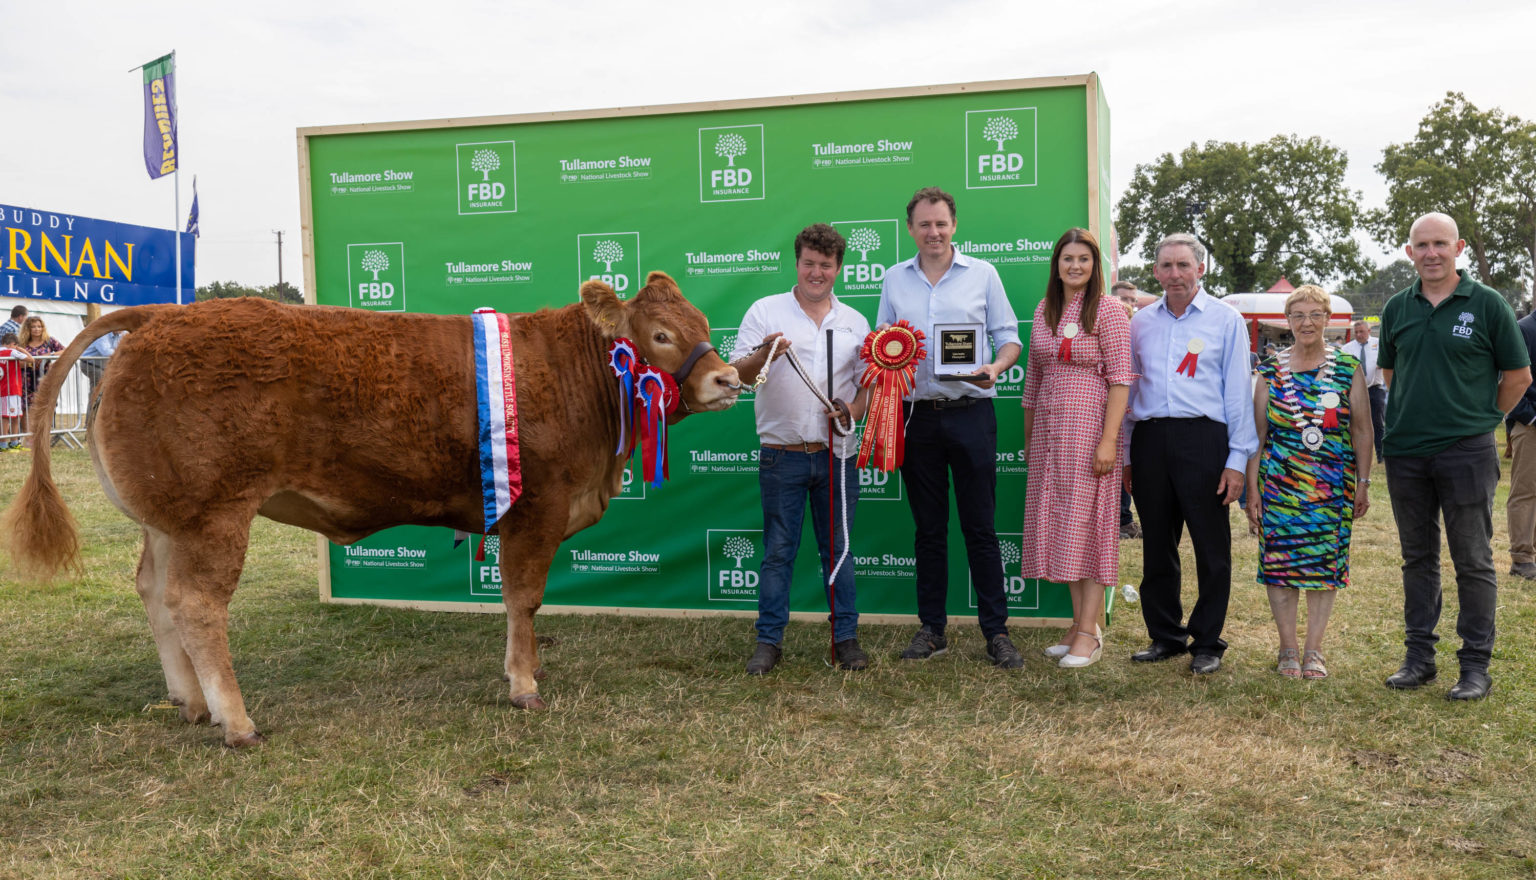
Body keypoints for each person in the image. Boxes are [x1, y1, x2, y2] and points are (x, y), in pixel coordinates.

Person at [1379, 212, 1531, 701]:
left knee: (1473, 558)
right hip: (1405, 453)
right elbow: (1390, 376)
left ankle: (1474, 666)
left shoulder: (1487, 305)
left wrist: (1478, 421)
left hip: (1465, 451)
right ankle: (1419, 658)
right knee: (1417, 558)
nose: (1431, 253)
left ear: (1458, 247)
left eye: (1440, 243)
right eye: (1421, 245)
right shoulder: (1397, 307)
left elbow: (1518, 377)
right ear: (1409, 252)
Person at [876, 186, 1024, 668]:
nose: (933, 232)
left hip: (972, 414)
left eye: (941, 223)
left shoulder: (983, 274)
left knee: (981, 528)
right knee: (928, 530)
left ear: (954, 225)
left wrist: (996, 369)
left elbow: (1009, 339)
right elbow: (883, 345)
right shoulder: (894, 279)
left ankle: (996, 632)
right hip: (917, 418)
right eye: (924, 224)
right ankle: (932, 629)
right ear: (911, 229)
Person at [730, 223, 872, 674]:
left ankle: (845, 639)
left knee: (840, 552)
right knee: (778, 551)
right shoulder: (765, 312)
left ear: (838, 269)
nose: (816, 272)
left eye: (825, 266)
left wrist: (851, 408)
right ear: (797, 263)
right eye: (809, 263)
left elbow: (868, 389)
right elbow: (740, 375)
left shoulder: (855, 322)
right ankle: (769, 641)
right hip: (782, 455)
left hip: (838, 456)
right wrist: (765, 352)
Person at [1124, 233, 1257, 675]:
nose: (1174, 274)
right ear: (1156, 271)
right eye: (1166, 266)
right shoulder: (1140, 323)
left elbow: (1238, 392)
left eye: (1183, 265)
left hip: (1205, 440)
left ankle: (1207, 641)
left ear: (1201, 268)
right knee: (1157, 544)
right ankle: (1165, 635)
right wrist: (1127, 454)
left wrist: (1237, 459)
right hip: (1150, 440)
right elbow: (1129, 391)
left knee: (1210, 545)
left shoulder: (1225, 320)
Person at [1244, 285, 1372, 680]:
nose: (1307, 323)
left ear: (1328, 319)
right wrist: (1252, 490)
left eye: (1315, 314)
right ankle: (1287, 649)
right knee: (1281, 564)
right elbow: (1256, 436)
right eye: (1298, 315)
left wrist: (1363, 482)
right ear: (1288, 321)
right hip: (1279, 485)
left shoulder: (1348, 369)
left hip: (1332, 485)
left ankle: (1314, 650)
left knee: (1322, 566)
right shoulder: (1269, 370)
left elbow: (1363, 429)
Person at [1020, 229, 1133, 668]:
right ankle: (1077, 623)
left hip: (1089, 433)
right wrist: (1030, 441)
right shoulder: (1045, 309)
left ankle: (1090, 630)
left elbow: (1121, 379)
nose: (1075, 266)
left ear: (1095, 265)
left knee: (1087, 527)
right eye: (1067, 258)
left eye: (1083, 259)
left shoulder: (1108, 310)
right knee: (1064, 526)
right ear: (1057, 264)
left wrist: (1109, 442)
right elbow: (1032, 382)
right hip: (1050, 434)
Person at [1505, 308, 1536, 580]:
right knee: (1525, 492)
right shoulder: (1524, 329)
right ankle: (1522, 557)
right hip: (1530, 426)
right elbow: (1509, 378)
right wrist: (1530, 416)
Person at [1111, 281, 1142, 540]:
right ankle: (1121, 520)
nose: (1129, 305)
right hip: (1111, 409)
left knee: (1129, 461)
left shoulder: (1139, 329)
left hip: (1135, 411)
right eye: (1123, 299)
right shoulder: (1107, 325)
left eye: (1133, 300)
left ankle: (1125, 517)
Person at [1340, 319, 1385, 463]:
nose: (1359, 335)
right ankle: (1353, 453)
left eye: (1362, 332)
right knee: (1353, 423)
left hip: (1375, 389)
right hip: (1354, 392)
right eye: (1356, 332)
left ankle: (1381, 455)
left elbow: (1389, 359)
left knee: (1377, 423)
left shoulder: (1379, 344)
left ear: (1369, 331)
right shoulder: (1347, 348)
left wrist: (1382, 362)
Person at [18, 316, 64, 433]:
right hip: (26, 380)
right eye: (33, 327)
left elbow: (65, 350)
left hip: (45, 379)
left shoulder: (49, 341)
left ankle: (43, 433)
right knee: (26, 407)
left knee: (45, 405)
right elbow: (15, 360)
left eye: (39, 326)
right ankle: (28, 435)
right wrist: (28, 362)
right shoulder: (22, 343)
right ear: (28, 328)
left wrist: (50, 356)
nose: (36, 329)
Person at [0, 332, 33, 452]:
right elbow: (31, 359)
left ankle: (13, 442)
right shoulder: (11, 352)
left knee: (12, 417)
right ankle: (4, 444)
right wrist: (20, 349)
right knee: (8, 417)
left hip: (6, 390)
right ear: (13, 344)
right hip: (11, 390)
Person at [80, 329, 125, 399]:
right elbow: (106, 352)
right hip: (89, 364)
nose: (122, 329)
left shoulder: (123, 334)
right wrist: (122, 353)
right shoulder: (102, 334)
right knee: (98, 387)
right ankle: (93, 408)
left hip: (101, 365)